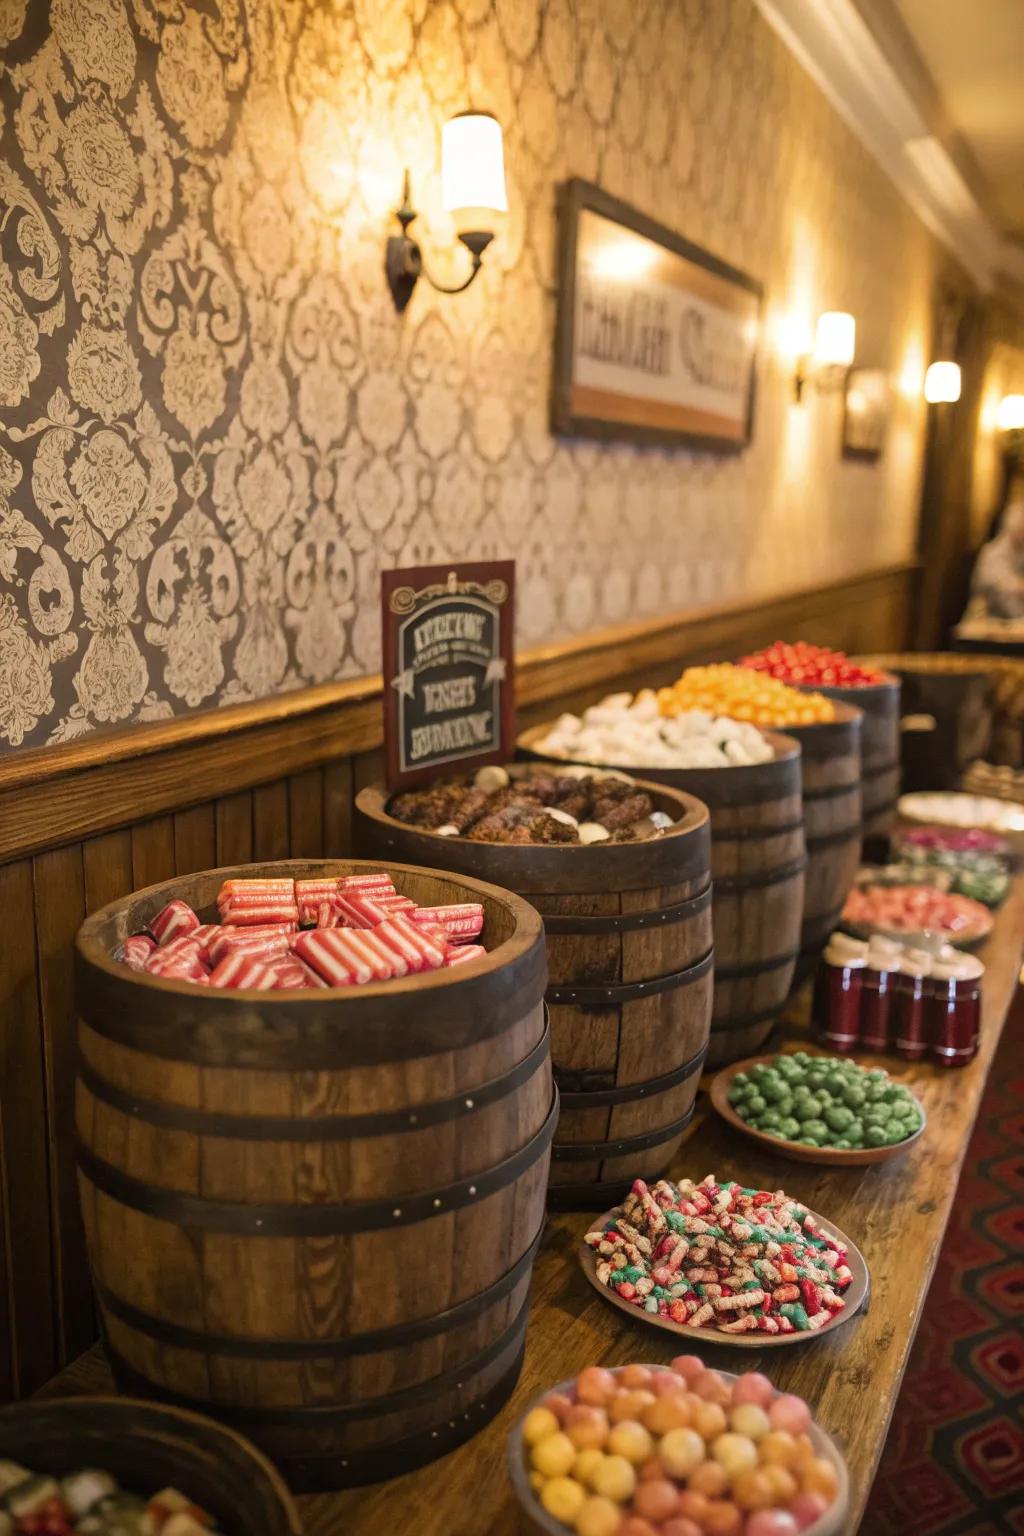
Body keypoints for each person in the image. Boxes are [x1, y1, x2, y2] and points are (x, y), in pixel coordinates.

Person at [968, 497, 1024, 620]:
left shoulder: (1020, 553)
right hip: (989, 618)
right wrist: (1018, 585)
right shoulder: (993, 552)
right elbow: (1000, 584)